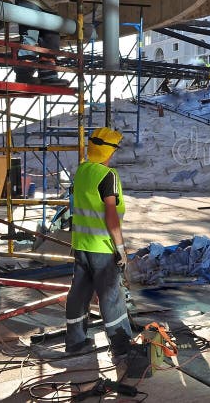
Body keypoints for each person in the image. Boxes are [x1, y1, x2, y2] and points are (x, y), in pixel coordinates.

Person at [65, 127, 132, 364]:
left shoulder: (82, 171)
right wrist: (121, 247)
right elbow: (110, 215)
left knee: (79, 293)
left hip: (81, 244)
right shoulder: (108, 175)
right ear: (108, 151)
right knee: (111, 297)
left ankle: (75, 341)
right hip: (102, 246)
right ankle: (122, 347)